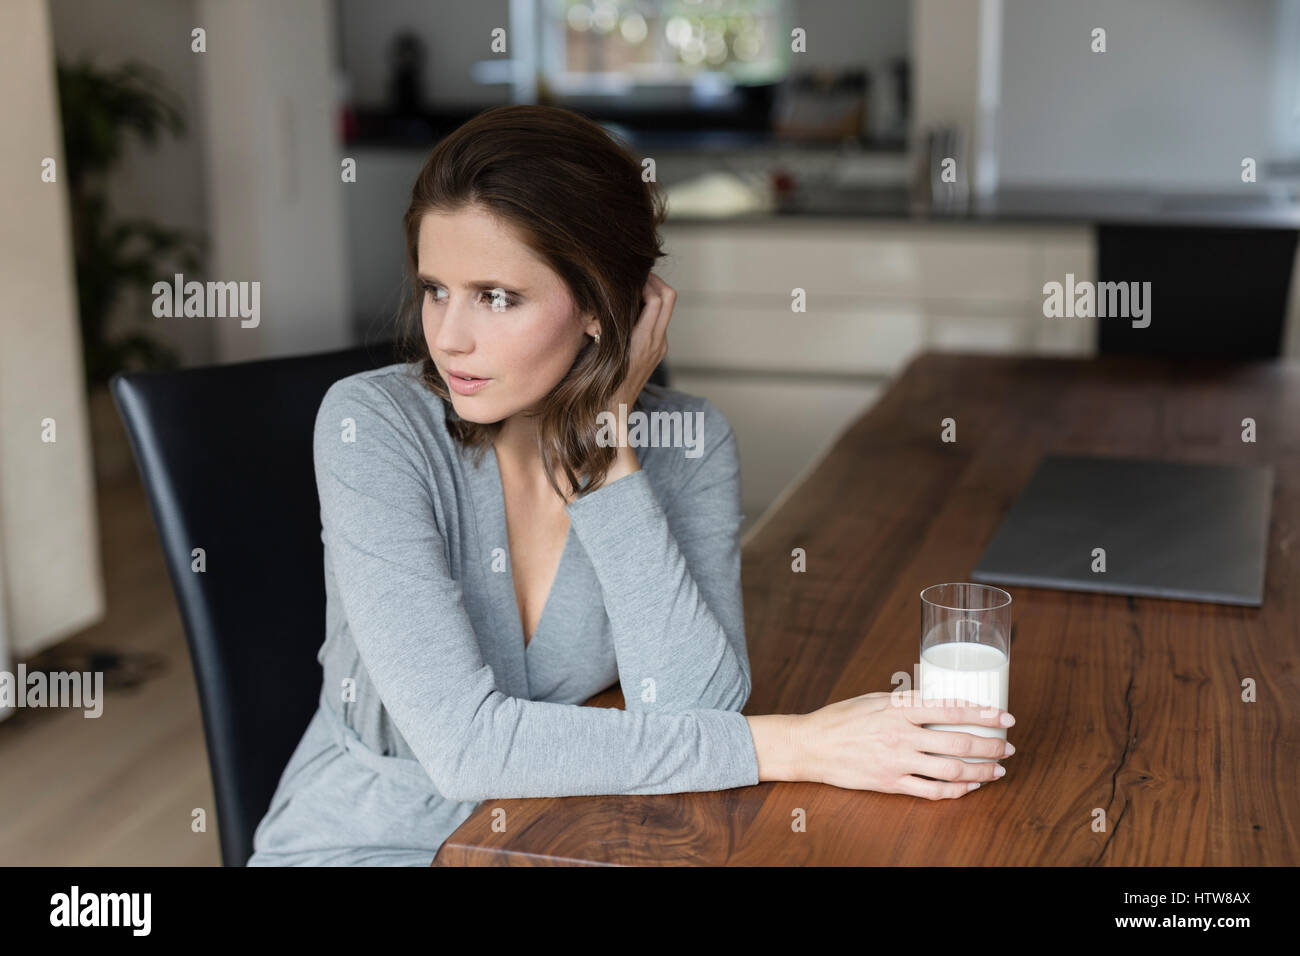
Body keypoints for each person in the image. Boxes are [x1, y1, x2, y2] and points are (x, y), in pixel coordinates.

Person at [247, 104, 1015, 866]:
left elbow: (693, 708)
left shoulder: (688, 441)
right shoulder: (371, 427)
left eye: (497, 297)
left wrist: (606, 450)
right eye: (435, 289)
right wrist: (801, 744)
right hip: (370, 844)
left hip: (566, 833)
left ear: (601, 306)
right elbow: (464, 748)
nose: (448, 336)